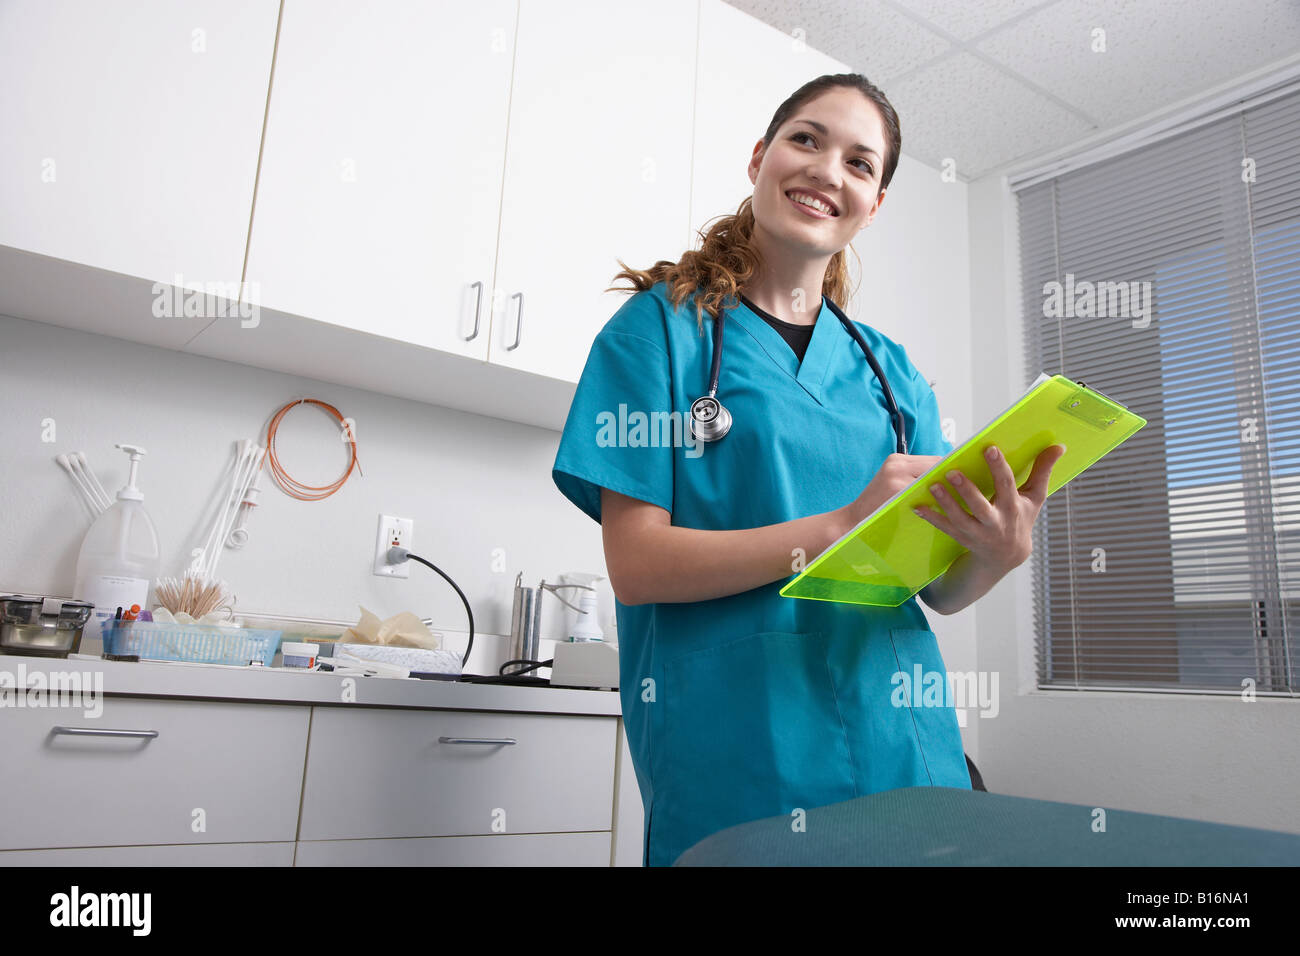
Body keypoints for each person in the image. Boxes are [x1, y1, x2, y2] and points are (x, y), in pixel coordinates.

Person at [551, 73, 1065, 867]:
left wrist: (997, 554)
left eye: (861, 164)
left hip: (903, 745)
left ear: (874, 204)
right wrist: (838, 526)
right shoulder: (657, 332)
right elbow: (638, 563)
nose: (829, 171)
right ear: (760, 157)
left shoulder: (892, 376)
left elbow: (938, 590)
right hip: (739, 752)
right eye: (807, 140)